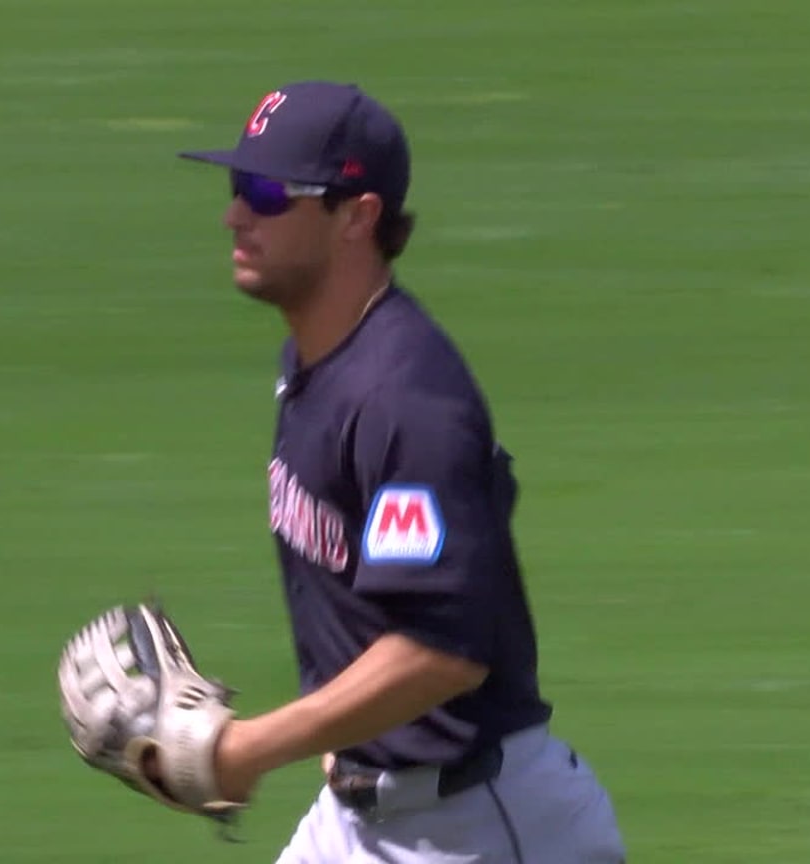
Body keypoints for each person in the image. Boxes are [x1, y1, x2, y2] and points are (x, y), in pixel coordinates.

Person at [176, 80, 627, 863]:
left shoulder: (405, 401)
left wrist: (247, 749)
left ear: (359, 216)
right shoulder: (317, 361)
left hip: (472, 829)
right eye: (236, 185)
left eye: (268, 190)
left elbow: (440, 651)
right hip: (359, 818)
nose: (236, 213)